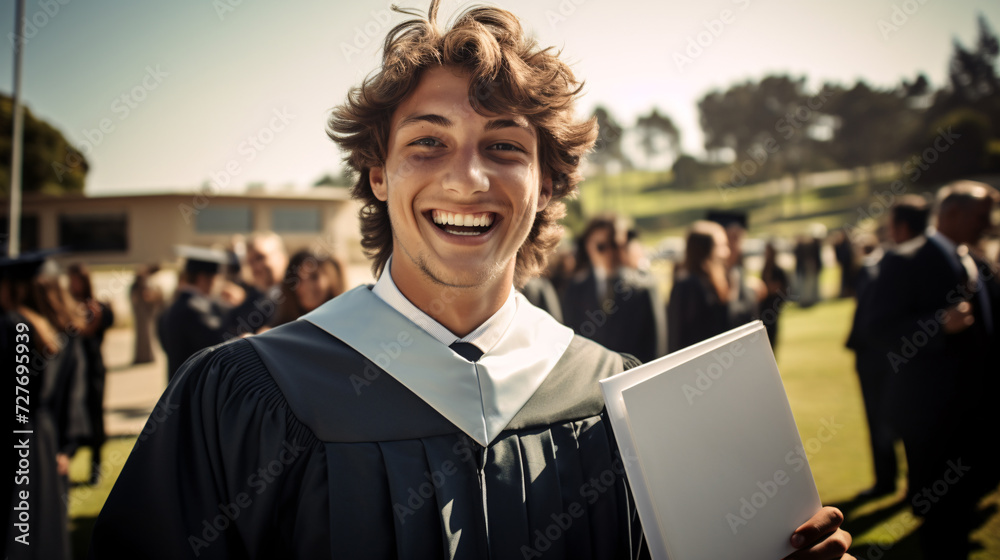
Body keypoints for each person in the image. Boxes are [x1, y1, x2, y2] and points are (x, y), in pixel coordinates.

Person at [90, 3, 852, 558]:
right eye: (428, 143)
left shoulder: (618, 400)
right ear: (378, 174)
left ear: (549, 184)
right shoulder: (243, 394)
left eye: (505, 146)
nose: (468, 177)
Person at [867, 181, 998, 558]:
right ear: (952, 214)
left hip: (976, 410)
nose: (988, 225)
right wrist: (937, 324)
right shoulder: (904, 260)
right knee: (942, 521)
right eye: (980, 216)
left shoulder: (976, 259)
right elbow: (878, 329)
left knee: (967, 503)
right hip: (933, 415)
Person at [3, 251, 88, 560]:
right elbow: (73, 393)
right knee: (42, 522)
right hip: (45, 438)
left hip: (22, 435)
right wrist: (66, 445)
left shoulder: (15, 328)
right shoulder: (62, 333)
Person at [845, 195, 929, 499]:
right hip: (907, 356)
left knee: (882, 420)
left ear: (900, 227)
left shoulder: (883, 265)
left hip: (878, 358)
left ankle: (887, 481)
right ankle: (915, 483)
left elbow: (869, 319)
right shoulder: (927, 261)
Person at [562, 215, 666, 362]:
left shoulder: (645, 289)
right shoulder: (575, 290)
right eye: (601, 247)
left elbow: (656, 348)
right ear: (588, 246)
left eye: (615, 245)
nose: (609, 253)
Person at [66, 263, 115, 485]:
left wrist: (95, 317)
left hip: (93, 368)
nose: (73, 284)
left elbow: (101, 328)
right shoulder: (65, 305)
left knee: (95, 415)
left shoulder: (98, 307)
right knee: (71, 414)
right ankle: (64, 462)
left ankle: (95, 468)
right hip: (72, 369)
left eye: (77, 279)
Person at [157, 246, 228, 380]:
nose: (219, 284)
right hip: (192, 387)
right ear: (203, 278)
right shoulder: (195, 308)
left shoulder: (176, 304)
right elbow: (221, 342)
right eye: (217, 278)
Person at [667, 220, 731, 352]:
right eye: (721, 246)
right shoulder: (687, 286)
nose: (727, 252)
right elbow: (678, 336)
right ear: (704, 250)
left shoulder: (712, 281)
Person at [222, 231, 288, 338]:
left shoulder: (300, 294)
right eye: (250, 262)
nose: (256, 267)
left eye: (260, 257)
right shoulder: (247, 304)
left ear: (282, 257)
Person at [268, 250, 347, 328]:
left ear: (332, 279)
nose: (306, 286)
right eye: (297, 279)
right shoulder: (278, 332)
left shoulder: (347, 324)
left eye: (314, 277)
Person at [128, 264, 163, 364]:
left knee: (146, 335)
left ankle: (146, 357)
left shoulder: (146, 282)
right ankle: (144, 357)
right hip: (142, 313)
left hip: (145, 313)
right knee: (143, 335)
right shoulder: (141, 283)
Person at [760, 241, 789, 349]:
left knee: (772, 335)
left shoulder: (778, 270)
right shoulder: (765, 269)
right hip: (764, 308)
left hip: (773, 308)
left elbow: (784, 289)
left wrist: (771, 288)